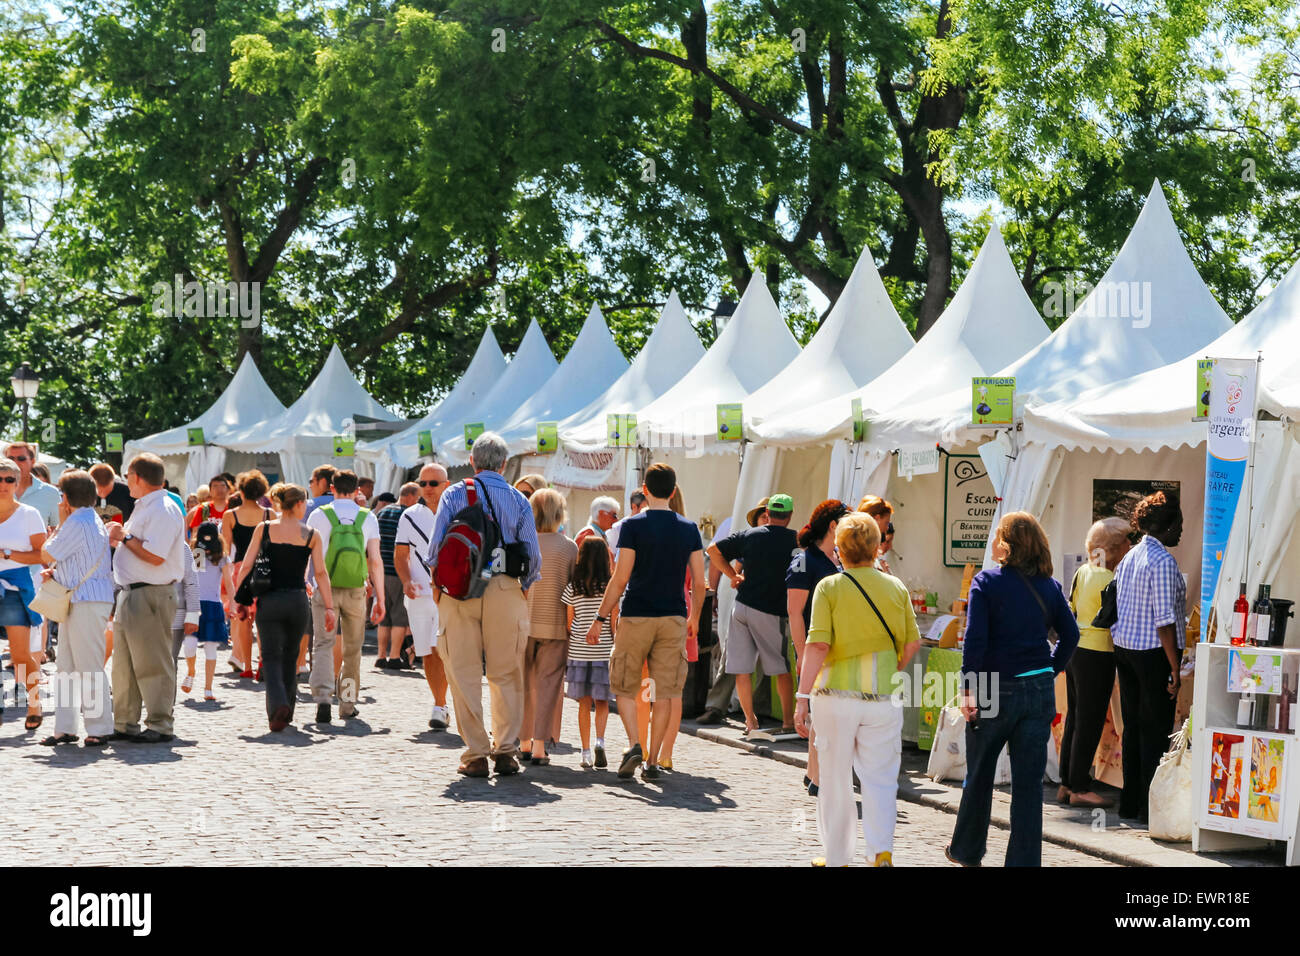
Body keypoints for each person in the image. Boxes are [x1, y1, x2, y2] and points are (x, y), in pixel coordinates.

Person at [946, 512, 1080, 867]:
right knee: (1028, 784)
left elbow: (974, 641)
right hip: (1036, 688)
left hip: (993, 686)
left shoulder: (986, 582)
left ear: (1006, 543)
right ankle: (1023, 862)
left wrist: (968, 690)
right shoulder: (1049, 586)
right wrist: (1049, 669)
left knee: (980, 774)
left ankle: (967, 850)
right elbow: (1072, 635)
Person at [793, 512, 920, 867]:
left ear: (840, 548)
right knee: (880, 779)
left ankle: (837, 857)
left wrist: (802, 698)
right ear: (877, 545)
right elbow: (912, 643)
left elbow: (817, 645)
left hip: (834, 697)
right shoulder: (895, 586)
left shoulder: (830, 587)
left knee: (835, 779)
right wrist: (890, 669)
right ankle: (880, 851)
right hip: (882, 698)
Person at [429, 432, 541, 777]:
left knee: (462, 671)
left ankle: (476, 753)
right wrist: (519, 590)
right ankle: (506, 750)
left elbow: (435, 551)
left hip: (460, 589)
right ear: (505, 464)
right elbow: (533, 559)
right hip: (505, 588)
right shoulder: (519, 500)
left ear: (473, 462)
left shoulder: (454, 493)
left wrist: (439, 591)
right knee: (505, 672)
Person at [584, 462, 705, 780]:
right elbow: (700, 582)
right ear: (674, 491)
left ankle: (634, 743)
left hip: (636, 613)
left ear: (646, 491)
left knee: (625, 685)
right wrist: (695, 617)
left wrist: (599, 617)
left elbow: (620, 578)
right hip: (673, 616)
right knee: (665, 691)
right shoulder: (689, 528)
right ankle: (653, 762)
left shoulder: (633, 527)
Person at [235, 483, 336, 732]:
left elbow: (246, 565)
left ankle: (277, 706)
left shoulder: (265, 528)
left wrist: (240, 598)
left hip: (270, 601)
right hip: (298, 601)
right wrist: (330, 607)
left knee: (270, 656)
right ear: (300, 503)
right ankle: (287, 711)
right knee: (291, 656)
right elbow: (320, 573)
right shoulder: (311, 534)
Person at [1111, 492, 1186, 823]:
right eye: (1178, 525)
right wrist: (1174, 667)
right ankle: (1148, 808)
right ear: (1166, 527)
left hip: (1125, 649)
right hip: (1153, 653)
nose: (1181, 532)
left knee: (1133, 728)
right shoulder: (1163, 562)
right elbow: (1165, 621)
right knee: (1155, 730)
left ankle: (1131, 802)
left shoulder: (1129, 557)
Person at [107, 452, 189, 743]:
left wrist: (123, 537)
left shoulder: (164, 508)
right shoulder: (147, 506)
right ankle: (125, 723)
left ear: (138, 477)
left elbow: (155, 556)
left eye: (127, 475)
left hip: (151, 592)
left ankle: (160, 724)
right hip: (132, 592)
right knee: (125, 665)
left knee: (153, 662)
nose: (125, 481)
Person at [708, 492, 799, 737]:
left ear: (767, 514)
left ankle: (750, 722)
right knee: (780, 667)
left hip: (742, 607)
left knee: (741, 667)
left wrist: (732, 576)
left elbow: (713, 550)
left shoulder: (749, 535)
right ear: (789, 516)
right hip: (771, 610)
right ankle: (789, 722)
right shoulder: (796, 540)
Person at [38, 470, 115, 746]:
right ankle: (68, 728)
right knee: (69, 665)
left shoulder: (77, 521)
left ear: (66, 497)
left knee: (85, 665)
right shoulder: (90, 518)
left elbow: (47, 551)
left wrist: (60, 521)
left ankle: (99, 728)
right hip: (84, 597)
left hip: (86, 599)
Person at [1058, 517, 1131, 808]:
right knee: (1089, 722)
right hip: (1098, 652)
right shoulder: (1110, 578)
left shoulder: (1083, 572)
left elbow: (1074, 608)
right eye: (1126, 542)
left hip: (1076, 648)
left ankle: (1066, 782)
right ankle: (1079, 787)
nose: (1129, 547)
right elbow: (1115, 618)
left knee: (1075, 718)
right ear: (1112, 548)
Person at [306, 470, 384, 722]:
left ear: (332, 487)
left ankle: (322, 699)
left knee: (323, 644)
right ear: (356, 490)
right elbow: (375, 560)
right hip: (355, 590)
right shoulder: (367, 517)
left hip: (324, 588)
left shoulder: (319, 515)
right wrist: (380, 597)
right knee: (352, 649)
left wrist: (307, 581)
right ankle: (348, 703)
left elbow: (309, 554)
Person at [786, 499, 850, 796]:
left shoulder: (838, 559)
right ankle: (817, 776)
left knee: (824, 714)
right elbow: (795, 611)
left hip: (836, 647)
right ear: (833, 526)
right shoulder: (805, 560)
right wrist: (801, 653)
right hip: (815, 645)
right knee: (821, 714)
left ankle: (815, 774)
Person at [697, 496, 771, 725]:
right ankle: (716, 705)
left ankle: (760, 709)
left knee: (766, 661)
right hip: (746, 605)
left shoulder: (782, 541)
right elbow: (731, 565)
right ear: (757, 518)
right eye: (763, 515)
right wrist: (733, 578)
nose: (766, 519)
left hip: (770, 606)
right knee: (732, 656)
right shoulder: (749, 540)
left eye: (770, 515)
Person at [520, 488, 577, 764]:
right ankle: (540, 746)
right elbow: (573, 591)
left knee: (522, 684)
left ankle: (522, 741)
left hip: (523, 623)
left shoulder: (523, 543)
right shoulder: (569, 547)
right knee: (548, 686)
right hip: (555, 626)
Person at [394, 463, 452, 731]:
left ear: (446, 485)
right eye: (423, 483)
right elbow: (400, 555)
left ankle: (444, 705)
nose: (427, 488)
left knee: (445, 650)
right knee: (428, 652)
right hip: (419, 594)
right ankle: (439, 703)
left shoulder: (457, 512)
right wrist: (406, 581)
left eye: (433, 483)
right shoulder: (408, 516)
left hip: (451, 595)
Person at [0, 455, 49, 729]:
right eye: (0, 479)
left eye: (10, 479)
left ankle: (34, 703)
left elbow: (41, 555)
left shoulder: (29, 514)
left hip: (15, 585)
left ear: (18, 483)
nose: (4, 484)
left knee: (19, 655)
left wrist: (7, 553)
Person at [564, 536, 617, 769]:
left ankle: (585, 752)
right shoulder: (610, 588)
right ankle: (600, 742)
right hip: (604, 652)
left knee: (583, 704)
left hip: (578, 651)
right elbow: (614, 624)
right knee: (602, 702)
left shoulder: (573, 587)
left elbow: (569, 622)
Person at [222, 471, 272, 678]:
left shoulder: (230, 515)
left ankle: (246, 665)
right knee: (263, 620)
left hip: (240, 568)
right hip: (265, 568)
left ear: (240, 491)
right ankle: (262, 663)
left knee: (243, 620)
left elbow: (226, 549)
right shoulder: (270, 515)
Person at [180, 523, 233, 700]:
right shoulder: (196, 554)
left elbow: (228, 582)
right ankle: (191, 671)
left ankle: (208, 688)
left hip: (213, 605)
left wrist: (232, 603)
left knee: (211, 648)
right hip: (194, 603)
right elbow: (190, 578)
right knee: (189, 645)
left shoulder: (223, 557)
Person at [375, 483, 417, 669]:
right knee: (400, 616)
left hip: (381, 572)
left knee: (384, 616)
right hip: (399, 572)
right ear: (409, 496)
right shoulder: (407, 515)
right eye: (417, 498)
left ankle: (380, 655)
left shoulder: (382, 513)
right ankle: (394, 657)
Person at [186, 473, 231, 543]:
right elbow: (195, 534)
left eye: (222, 486)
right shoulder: (203, 509)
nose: (219, 489)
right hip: (206, 550)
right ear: (210, 491)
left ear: (228, 490)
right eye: (215, 486)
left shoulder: (232, 508)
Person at [857, 496, 894, 572]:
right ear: (877, 519)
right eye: (886, 523)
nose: (887, 528)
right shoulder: (862, 550)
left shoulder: (855, 543)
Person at [606, 491, 645, 558]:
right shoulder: (616, 528)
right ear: (634, 507)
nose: (647, 511)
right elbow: (612, 557)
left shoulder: (648, 527)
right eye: (644, 508)